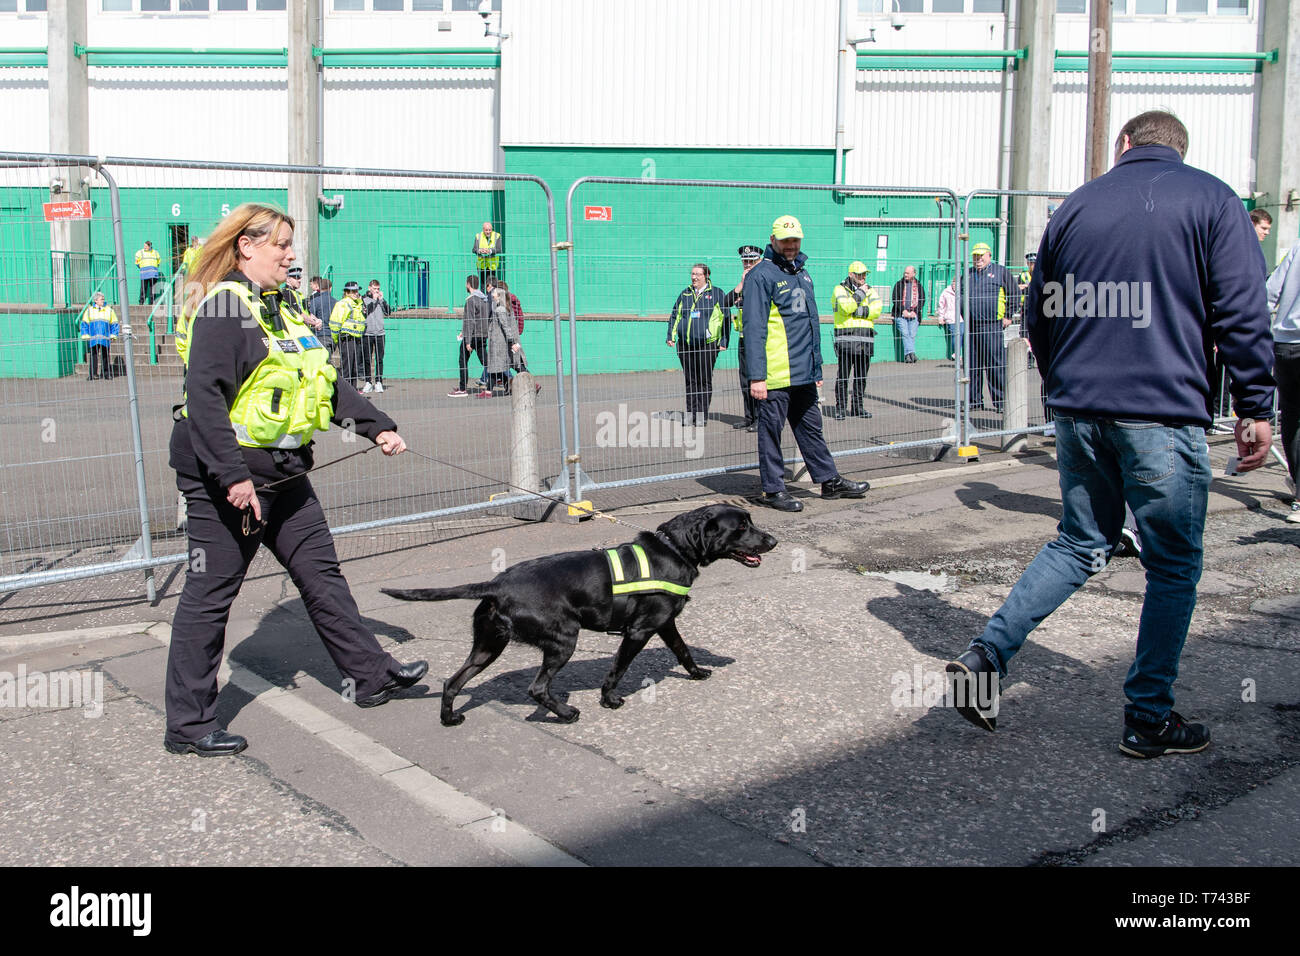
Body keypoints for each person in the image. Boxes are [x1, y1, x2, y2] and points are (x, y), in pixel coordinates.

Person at [946, 111, 1275, 759]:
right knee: (1174, 563)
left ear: (1126, 144)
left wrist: (1060, 383)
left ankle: (986, 656)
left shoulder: (1076, 207)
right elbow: (1241, 307)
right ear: (1179, 148)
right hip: (1161, 410)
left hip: (1079, 407)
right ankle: (1148, 717)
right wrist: (1256, 404)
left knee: (1079, 541)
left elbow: (1039, 308)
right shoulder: (1213, 198)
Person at [166, 202, 424, 757]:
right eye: (281, 244)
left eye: (291, 244)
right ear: (247, 247)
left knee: (322, 576)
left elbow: (322, 385)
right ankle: (188, 725)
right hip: (228, 475)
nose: (290, 254)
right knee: (211, 596)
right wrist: (232, 477)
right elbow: (204, 399)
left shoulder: (278, 308)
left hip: (283, 472)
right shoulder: (224, 310)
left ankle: (370, 677)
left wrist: (376, 427)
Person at [744, 215, 870, 512]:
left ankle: (829, 481)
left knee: (811, 429)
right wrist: (757, 377)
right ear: (773, 240)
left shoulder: (802, 272)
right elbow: (754, 328)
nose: (791, 245)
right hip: (775, 374)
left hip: (803, 372)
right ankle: (773, 490)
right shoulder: (761, 275)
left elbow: (811, 324)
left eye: (795, 240)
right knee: (771, 433)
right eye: (785, 240)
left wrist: (816, 370)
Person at [668, 263, 730, 427]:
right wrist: (671, 336)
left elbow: (726, 317)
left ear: (706, 276)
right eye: (692, 274)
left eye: (698, 274)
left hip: (707, 345)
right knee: (690, 380)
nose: (694, 277)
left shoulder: (717, 293)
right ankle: (690, 415)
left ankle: (701, 416)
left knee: (703, 380)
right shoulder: (685, 293)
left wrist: (724, 341)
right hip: (686, 345)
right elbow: (675, 315)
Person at [964, 241, 1019, 411]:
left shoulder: (1000, 271)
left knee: (995, 364)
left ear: (989, 255)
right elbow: (960, 296)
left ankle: (1001, 402)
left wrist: (1008, 315)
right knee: (972, 365)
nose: (978, 258)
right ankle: (973, 401)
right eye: (975, 255)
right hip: (972, 326)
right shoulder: (968, 274)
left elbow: (1015, 293)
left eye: (981, 255)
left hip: (992, 325)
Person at [1268, 238, 1300, 524]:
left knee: (1292, 418)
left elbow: (1269, 292)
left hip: (1285, 343)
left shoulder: (1298, 246)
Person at [830, 261, 880, 420]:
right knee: (843, 376)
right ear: (851, 274)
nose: (863, 277)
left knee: (861, 377)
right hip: (846, 340)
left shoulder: (872, 290)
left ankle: (858, 408)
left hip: (865, 340)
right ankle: (840, 408)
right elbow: (845, 307)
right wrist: (861, 295)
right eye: (860, 274)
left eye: (865, 274)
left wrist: (855, 311)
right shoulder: (840, 289)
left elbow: (877, 310)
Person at [723, 245, 763, 432]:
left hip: (759, 339)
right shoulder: (744, 282)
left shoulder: (762, 280)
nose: (747, 264)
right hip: (743, 338)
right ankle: (749, 417)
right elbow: (724, 303)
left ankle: (761, 419)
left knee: (758, 379)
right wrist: (740, 286)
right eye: (745, 261)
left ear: (759, 261)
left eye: (751, 261)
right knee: (745, 379)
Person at [451, 274, 491, 398]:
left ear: (468, 284)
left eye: (466, 283)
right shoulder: (484, 299)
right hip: (482, 334)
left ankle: (463, 389)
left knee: (462, 360)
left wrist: (467, 340)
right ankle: (505, 379)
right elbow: (482, 319)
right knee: (486, 361)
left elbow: (470, 321)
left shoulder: (471, 300)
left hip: (473, 336)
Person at [329, 281, 366, 389]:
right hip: (347, 339)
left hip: (356, 339)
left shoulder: (357, 304)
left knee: (354, 368)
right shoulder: (343, 304)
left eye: (357, 291)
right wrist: (336, 339)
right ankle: (346, 392)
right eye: (353, 291)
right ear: (346, 292)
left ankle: (353, 392)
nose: (356, 293)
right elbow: (335, 324)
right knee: (347, 368)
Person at [485, 285, 522, 395]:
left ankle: (488, 391)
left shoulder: (500, 310)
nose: (492, 294)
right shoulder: (499, 307)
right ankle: (490, 390)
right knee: (497, 365)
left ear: (499, 295)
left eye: (494, 293)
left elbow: (505, 326)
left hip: (500, 342)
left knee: (498, 365)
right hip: (500, 341)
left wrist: (511, 341)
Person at [79, 291, 119, 381]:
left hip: (105, 337)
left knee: (105, 355)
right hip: (94, 337)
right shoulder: (89, 310)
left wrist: (113, 335)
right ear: (96, 300)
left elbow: (114, 323)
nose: (103, 300)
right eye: (101, 299)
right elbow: (84, 323)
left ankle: (106, 373)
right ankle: (93, 374)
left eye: (103, 299)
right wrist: (85, 334)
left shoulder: (109, 310)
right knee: (93, 355)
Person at [360, 279, 390, 394]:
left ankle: (378, 381)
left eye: (378, 289)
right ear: (369, 288)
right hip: (367, 333)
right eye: (374, 288)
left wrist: (381, 300)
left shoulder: (381, 300)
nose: (376, 291)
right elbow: (365, 312)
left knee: (379, 359)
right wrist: (374, 300)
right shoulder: (364, 299)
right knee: (367, 359)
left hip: (380, 333)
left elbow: (388, 312)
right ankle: (368, 381)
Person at [890, 265, 924, 363]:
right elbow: (895, 299)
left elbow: (922, 300)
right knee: (905, 333)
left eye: (908, 273)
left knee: (912, 334)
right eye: (905, 272)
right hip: (900, 314)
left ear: (914, 274)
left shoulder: (919, 285)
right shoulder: (899, 284)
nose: (905, 274)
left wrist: (915, 311)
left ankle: (908, 355)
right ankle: (911, 353)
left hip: (914, 314)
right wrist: (903, 310)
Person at [307, 276, 336, 355]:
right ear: (330, 288)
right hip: (333, 334)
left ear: (319, 287)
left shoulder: (315, 301)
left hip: (320, 333)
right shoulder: (336, 302)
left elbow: (311, 316)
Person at [473, 221, 502, 291]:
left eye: (490, 230)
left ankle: (491, 300)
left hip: (492, 265)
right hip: (481, 265)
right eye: (486, 230)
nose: (488, 232)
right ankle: (484, 300)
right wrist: (480, 251)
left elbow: (499, 249)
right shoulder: (478, 236)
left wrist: (490, 251)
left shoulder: (497, 235)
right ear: (483, 230)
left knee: (492, 285)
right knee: (483, 285)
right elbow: (474, 249)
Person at [935, 279, 959, 362]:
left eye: (956, 283)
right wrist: (941, 317)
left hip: (961, 318)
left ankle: (958, 352)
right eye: (953, 282)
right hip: (950, 318)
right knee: (955, 335)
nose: (954, 284)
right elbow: (941, 305)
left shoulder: (964, 291)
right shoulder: (946, 292)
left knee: (962, 334)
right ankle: (956, 352)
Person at [135, 239, 162, 305]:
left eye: (146, 246)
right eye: (144, 246)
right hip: (144, 274)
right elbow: (136, 262)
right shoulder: (140, 252)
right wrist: (141, 267)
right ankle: (141, 302)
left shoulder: (155, 253)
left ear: (150, 246)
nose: (145, 247)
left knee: (153, 289)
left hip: (153, 274)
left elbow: (159, 262)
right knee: (143, 289)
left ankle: (152, 303)